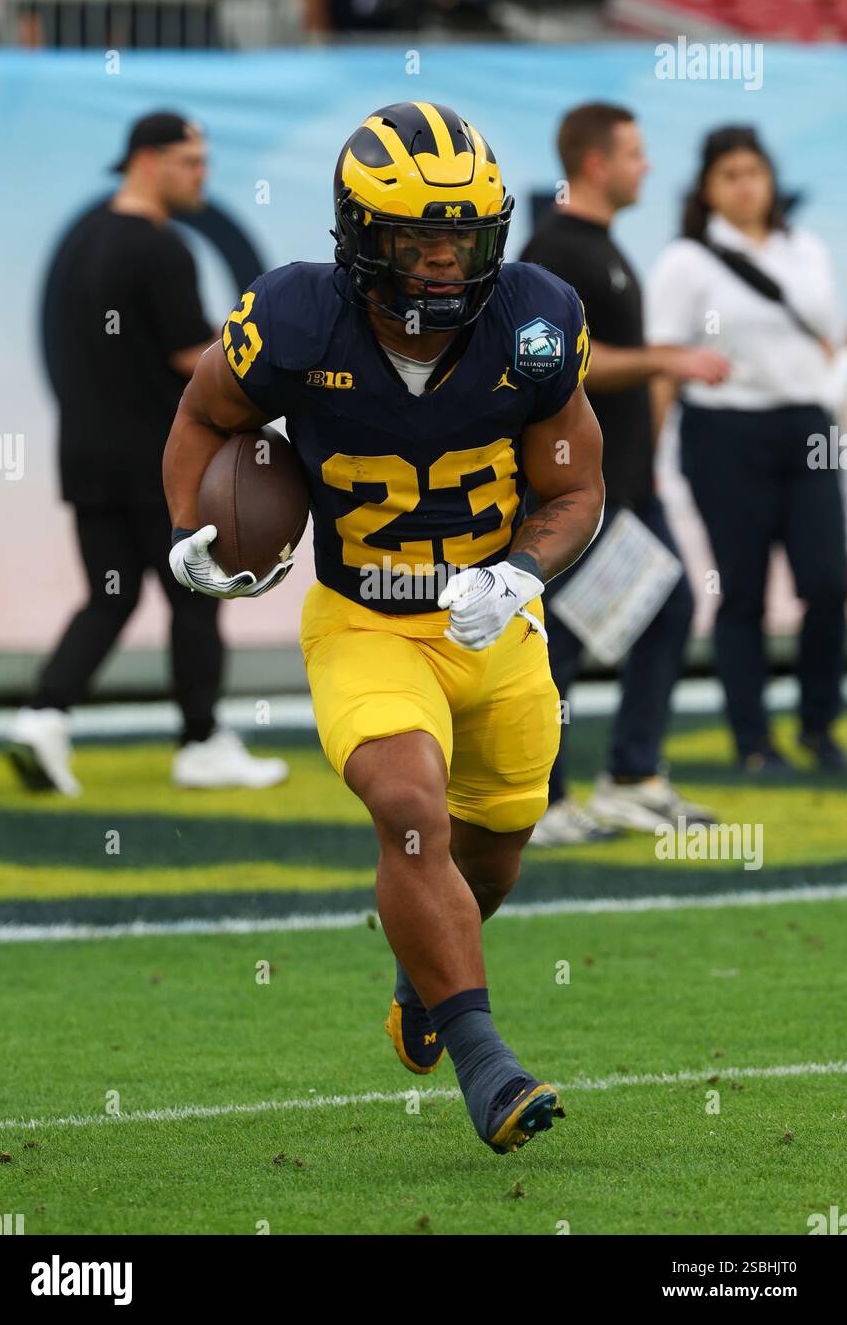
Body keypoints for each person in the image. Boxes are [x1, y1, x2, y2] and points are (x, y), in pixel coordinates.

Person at [163, 101, 605, 1155]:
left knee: (490, 858)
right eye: (418, 238)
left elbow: (576, 486)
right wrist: (189, 530)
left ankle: (425, 975)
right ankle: (485, 1062)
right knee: (409, 808)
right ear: (360, 235)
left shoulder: (536, 320)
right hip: (364, 619)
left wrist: (520, 572)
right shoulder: (294, 320)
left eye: (464, 236)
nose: (446, 263)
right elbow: (203, 417)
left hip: (492, 628)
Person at [8, 111, 286, 796]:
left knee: (110, 597)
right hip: (154, 460)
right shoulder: (161, 248)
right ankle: (200, 743)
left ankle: (42, 719)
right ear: (146, 161)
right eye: (191, 161)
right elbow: (194, 356)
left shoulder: (83, 240)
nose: (203, 175)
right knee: (195, 598)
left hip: (86, 456)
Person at [520, 103, 729, 844]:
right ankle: (536, 798)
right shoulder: (557, 248)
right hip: (579, 484)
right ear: (597, 164)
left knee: (668, 610)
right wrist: (667, 359)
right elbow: (562, 359)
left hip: (629, 481)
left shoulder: (599, 244)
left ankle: (632, 777)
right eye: (635, 153)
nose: (647, 166)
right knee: (557, 637)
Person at [647, 125, 846, 773]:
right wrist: (646, 461)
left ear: (770, 178)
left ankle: (819, 726)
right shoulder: (687, 260)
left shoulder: (805, 248)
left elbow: (831, 340)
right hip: (725, 434)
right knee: (742, 591)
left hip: (808, 426)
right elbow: (662, 364)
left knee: (829, 579)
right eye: (729, 174)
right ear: (707, 188)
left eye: (753, 171)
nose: (744, 184)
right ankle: (753, 741)